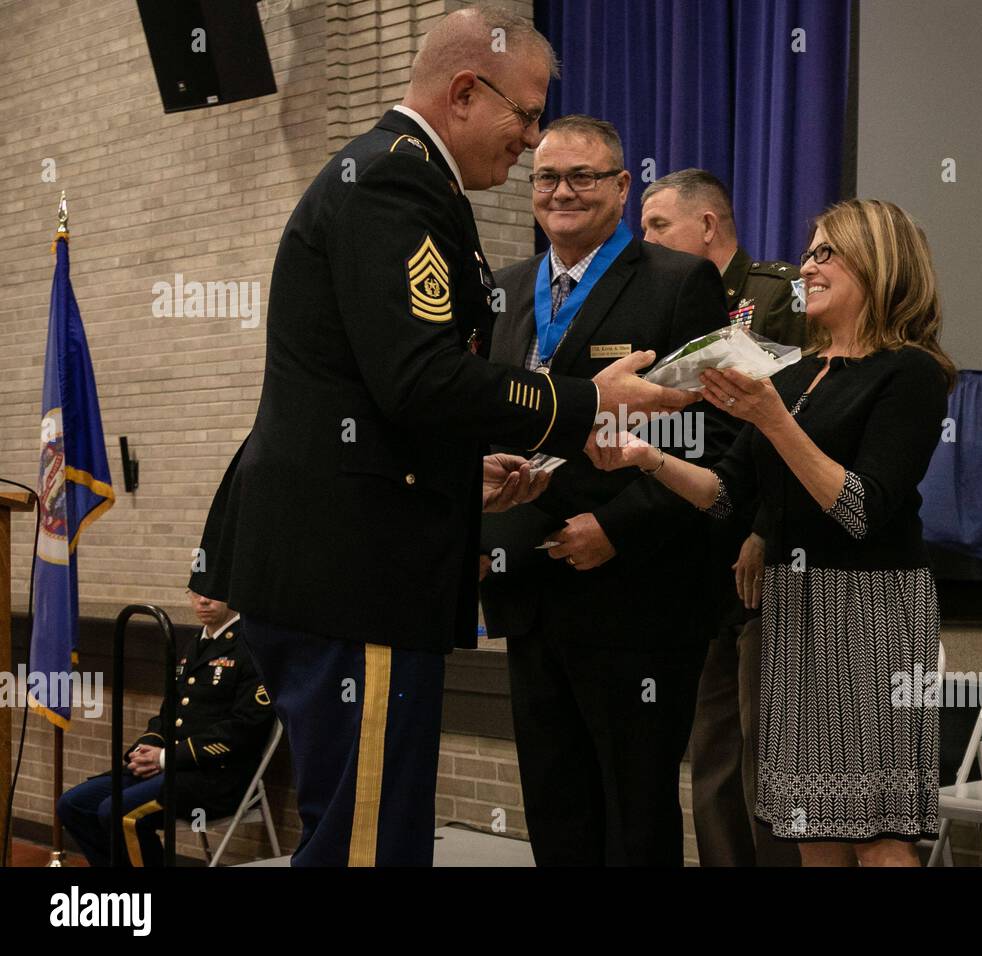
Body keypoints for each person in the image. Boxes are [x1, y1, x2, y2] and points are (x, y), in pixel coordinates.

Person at [189, 8, 693, 867]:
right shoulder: (398, 181)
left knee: (366, 838)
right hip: (358, 574)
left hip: (349, 564)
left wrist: (468, 471)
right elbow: (419, 375)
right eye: (528, 116)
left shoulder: (399, 175)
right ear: (466, 91)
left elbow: (395, 396)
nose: (532, 143)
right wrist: (585, 403)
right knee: (368, 849)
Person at [588, 199, 956, 866]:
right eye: (809, 252)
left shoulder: (911, 372)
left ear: (877, 264)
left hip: (870, 612)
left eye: (825, 254)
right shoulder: (792, 373)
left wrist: (773, 418)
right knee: (810, 824)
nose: (808, 267)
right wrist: (647, 458)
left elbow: (860, 508)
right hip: (793, 609)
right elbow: (727, 494)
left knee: (876, 835)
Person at [478, 117, 736, 865]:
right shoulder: (504, 291)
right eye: (548, 177)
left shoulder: (677, 281)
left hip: (637, 595)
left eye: (584, 176)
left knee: (633, 815)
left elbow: (711, 442)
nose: (563, 192)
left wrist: (619, 526)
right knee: (555, 813)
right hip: (528, 586)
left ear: (623, 187)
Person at [641, 168, 803, 866]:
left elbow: (799, 420)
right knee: (710, 748)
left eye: (657, 226)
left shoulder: (771, 294)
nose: (643, 240)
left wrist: (766, 526)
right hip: (693, 546)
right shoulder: (661, 303)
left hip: (759, 547)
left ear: (708, 225)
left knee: (763, 747)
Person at [56, 590, 273, 866]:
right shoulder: (197, 643)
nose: (203, 601)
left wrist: (164, 758)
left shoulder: (251, 647)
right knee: (73, 805)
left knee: (117, 812)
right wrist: (149, 748)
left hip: (218, 778)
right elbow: (168, 713)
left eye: (213, 594)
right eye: (196, 594)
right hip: (172, 767)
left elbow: (245, 731)